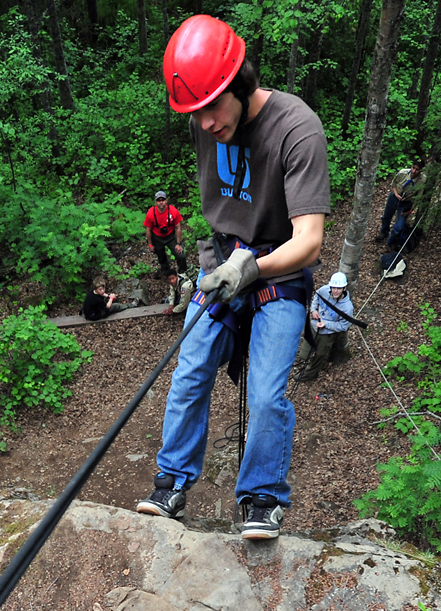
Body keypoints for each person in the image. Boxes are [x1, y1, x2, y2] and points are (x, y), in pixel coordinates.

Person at [135, 15, 330, 540]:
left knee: (267, 392)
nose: (204, 124)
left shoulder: (296, 129)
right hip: (224, 261)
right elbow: (223, 202)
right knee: (189, 368)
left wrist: (254, 268)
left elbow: (309, 240)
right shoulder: (208, 118)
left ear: (241, 82)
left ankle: (262, 495)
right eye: (193, 113)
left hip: (279, 270)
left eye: (212, 108)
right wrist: (229, 267)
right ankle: (171, 481)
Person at [298, 272, 353, 382]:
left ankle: (310, 374)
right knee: (304, 352)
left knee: (319, 354)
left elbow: (343, 326)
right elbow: (316, 298)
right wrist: (313, 310)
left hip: (327, 334)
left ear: (344, 288)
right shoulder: (324, 290)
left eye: (339, 288)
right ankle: (304, 362)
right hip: (314, 326)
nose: (335, 291)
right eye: (333, 288)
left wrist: (326, 324)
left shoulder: (347, 307)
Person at [379, 159, 425, 241]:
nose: (414, 171)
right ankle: (384, 232)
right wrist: (396, 194)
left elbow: (418, 197)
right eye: (413, 168)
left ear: (420, 170)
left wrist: (410, 211)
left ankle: (391, 241)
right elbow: (394, 184)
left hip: (406, 203)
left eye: (417, 169)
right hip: (394, 197)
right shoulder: (403, 173)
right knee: (386, 217)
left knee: (399, 226)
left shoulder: (422, 180)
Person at [144, 191, 186, 275]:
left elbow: (178, 227)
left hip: (170, 235)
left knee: (181, 255)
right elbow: (148, 230)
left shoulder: (173, 211)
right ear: (155, 202)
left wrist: (178, 243)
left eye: (162, 200)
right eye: (159, 200)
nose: (161, 202)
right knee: (161, 255)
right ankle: (165, 270)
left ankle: (183, 271)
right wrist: (150, 244)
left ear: (166, 200)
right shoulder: (151, 213)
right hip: (157, 237)